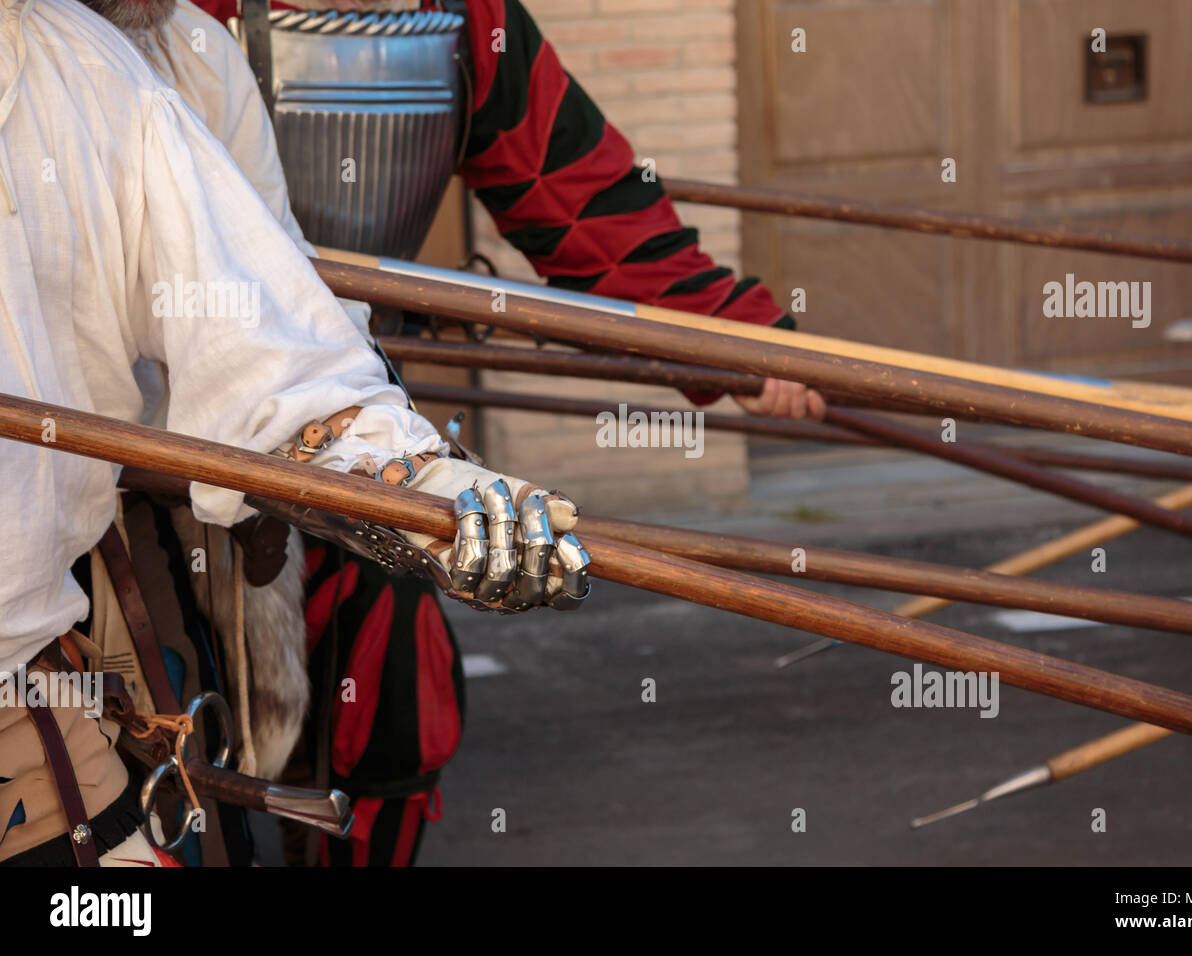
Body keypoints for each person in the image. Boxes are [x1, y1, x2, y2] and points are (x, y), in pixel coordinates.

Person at [79, 0, 828, 866]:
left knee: (393, 692)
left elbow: (579, 193)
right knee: (163, 742)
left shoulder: (464, 14)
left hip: (362, 411)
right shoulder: (165, 20)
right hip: (166, 439)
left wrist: (727, 336)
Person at [0, 0, 585, 866]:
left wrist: (417, 486)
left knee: (386, 671)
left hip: (46, 672)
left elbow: (267, 337)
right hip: (128, 511)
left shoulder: (81, 67)